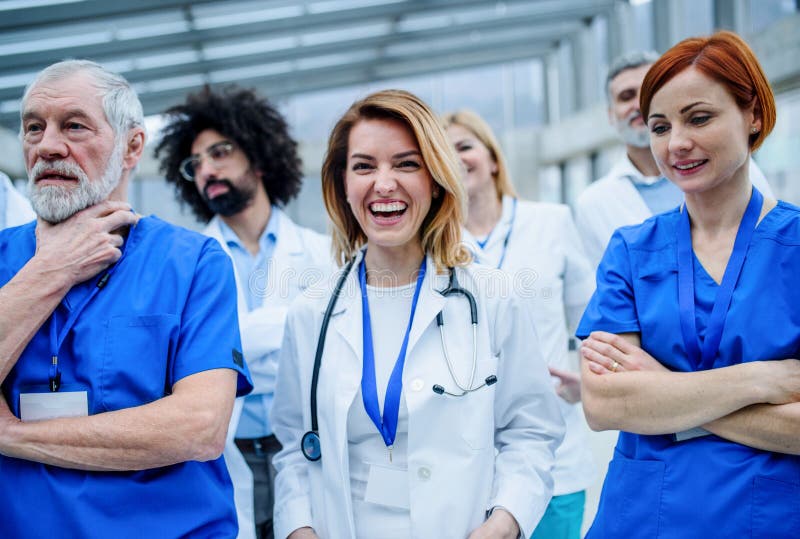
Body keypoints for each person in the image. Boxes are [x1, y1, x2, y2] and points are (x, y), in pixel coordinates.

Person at [270, 89, 564, 539]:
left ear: (436, 179)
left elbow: (531, 432)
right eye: (364, 166)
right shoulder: (311, 313)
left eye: (406, 164)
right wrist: (299, 530)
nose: (383, 183)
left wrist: (504, 524)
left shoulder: (493, 297)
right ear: (343, 185)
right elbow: (293, 448)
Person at [0, 60, 253, 538]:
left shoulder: (192, 262)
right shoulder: (4, 258)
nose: (48, 145)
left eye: (74, 125)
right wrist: (52, 270)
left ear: (132, 145)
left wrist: (11, 435)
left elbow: (198, 428)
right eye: (34, 127)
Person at [577, 31, 800, 537]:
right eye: (660, 126)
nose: (676, 143)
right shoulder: (631, 251)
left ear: (754, 116)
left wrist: (660, 394)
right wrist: (760, 381)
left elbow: (632, 401)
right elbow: (604, 405)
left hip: (766, 518)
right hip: (640, 519)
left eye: (699, 118)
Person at [156, 86, 331, 539]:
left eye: (220, 153)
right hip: (228, 449)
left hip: (308, 446)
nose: (206, 170)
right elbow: (182, 363)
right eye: (195, 163)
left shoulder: (320, 253)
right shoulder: (183, 262)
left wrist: (236, 343)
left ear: (258, 156)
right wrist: (283, 329)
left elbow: (328, 350)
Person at [442, 109, 595, 539]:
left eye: (465, 146)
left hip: (553, 453)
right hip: (466, 462)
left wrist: (591, 383)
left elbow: (593, 319)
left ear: (493, 159)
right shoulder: (434, 245)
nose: (456, 159)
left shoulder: (552, 221)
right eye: (444, 152)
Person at [575, 50, 774, 268]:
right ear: (611, 114)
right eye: (626, 96)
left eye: (648, 93)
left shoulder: (734, 170)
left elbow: (770, 243)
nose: (640, 104)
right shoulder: (593, 203)